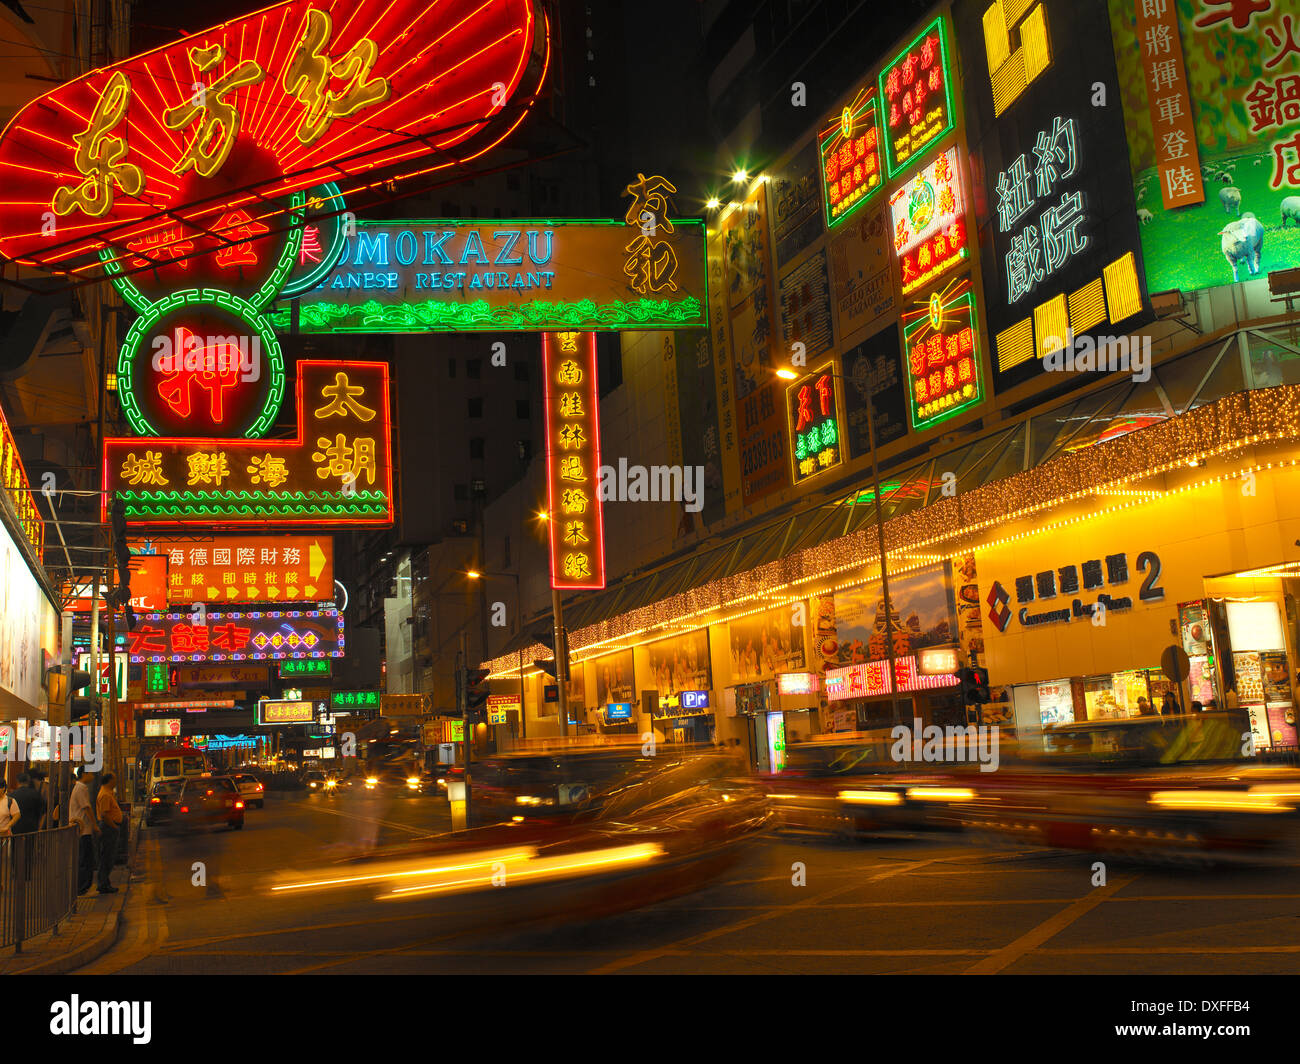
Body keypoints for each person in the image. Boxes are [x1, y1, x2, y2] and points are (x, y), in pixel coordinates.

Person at [69, 768, 98, 896]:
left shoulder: (79, 787)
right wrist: (95, 824)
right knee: (84, 859)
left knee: (84, 859)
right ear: (84, 774)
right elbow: (86, 807)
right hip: (83, 830)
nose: (92, 776)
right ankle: (82, 888)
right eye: (91, 773)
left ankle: (83, 887)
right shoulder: (81, 788)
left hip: (81, 830)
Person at [95, 772, 121, 894]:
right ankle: (103, 884)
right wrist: (114, 826)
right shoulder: (105, 794)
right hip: (108, 828)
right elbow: (104, 814)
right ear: (110, 780)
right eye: (115, 779)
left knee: (109, 856)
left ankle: (105, 882)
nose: (116, 782)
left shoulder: (108, 793)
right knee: (107, 856)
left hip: (110, 827)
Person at [10, 769, 46, 834]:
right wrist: (39, 828)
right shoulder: (36, 794)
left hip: (15, 830)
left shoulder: (11, 796)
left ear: (17, 781)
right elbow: (43, 813)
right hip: (31, 830)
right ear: (28, 781)